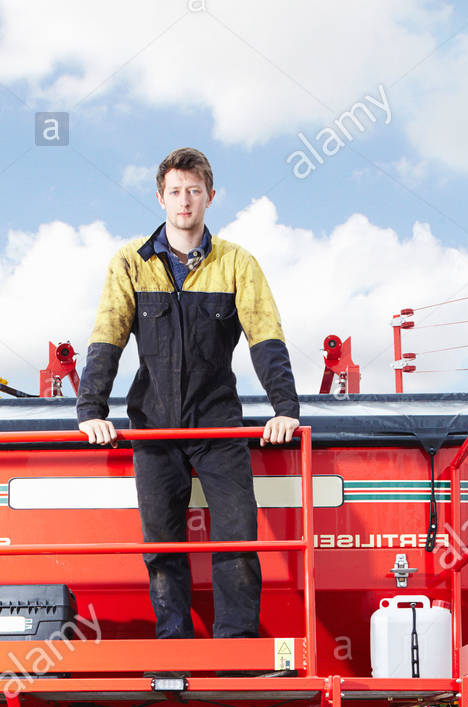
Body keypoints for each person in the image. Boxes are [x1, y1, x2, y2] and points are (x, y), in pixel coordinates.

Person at [76, 146, 300, 640]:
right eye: (175, 192)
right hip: (153, 426)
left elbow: (266, 336)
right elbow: (108, 334)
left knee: (238, 536)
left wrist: (285, 409)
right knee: (162, 544)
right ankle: (172, 642)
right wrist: (91, 409)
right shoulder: (130, 263)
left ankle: (237, 645)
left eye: (194, 192)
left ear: (210, 197)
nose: (184, 201)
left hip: (219, 424)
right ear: (160, 197)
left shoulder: (238, 263)